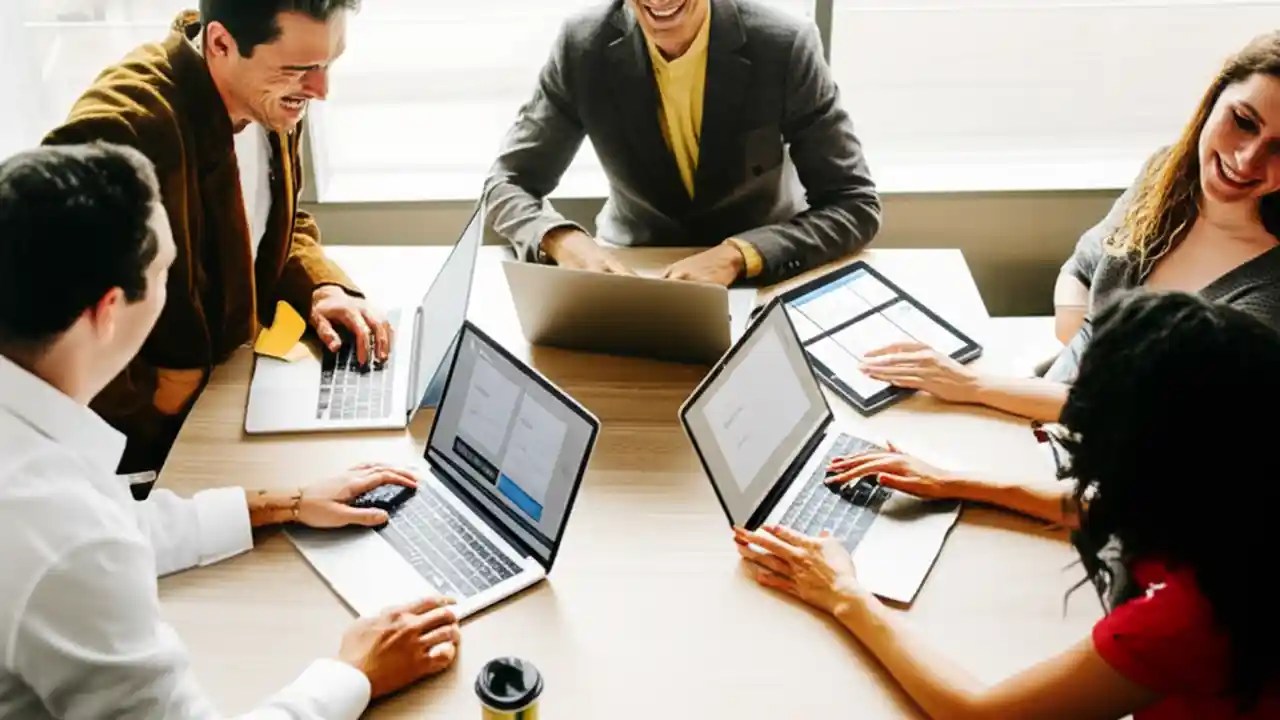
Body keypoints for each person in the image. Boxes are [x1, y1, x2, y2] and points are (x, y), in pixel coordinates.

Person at [0, 143, 459, 718]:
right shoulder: (64, 536)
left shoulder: (34, 454)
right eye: (164, 270)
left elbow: (113, 523)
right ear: (109, 309)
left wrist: (281, 503)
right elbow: (82, 544)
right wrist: (354, 674)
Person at [735, 290, 1280, 718]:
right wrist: (960, 481)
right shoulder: (1240, 484)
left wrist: (846, 595)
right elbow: (1107, 508)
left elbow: (980, 713)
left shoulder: (1190, 617)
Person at [856, 30, 1280, 423]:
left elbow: (1134, 414)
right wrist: (1080, 341)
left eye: (1279, 149)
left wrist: (969, 385)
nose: (1247, 160)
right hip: (1044, 408)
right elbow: (1081, 267)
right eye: (1243, 121)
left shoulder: (1268, 288)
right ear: (1213, 100)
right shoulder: (1165, 173)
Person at [42, 0, 392, 474]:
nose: (321, 89)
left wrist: (320, 287)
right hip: (142, 458)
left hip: (229, 398)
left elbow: (267, 225)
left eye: (330, 63)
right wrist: (157, 395)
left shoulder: (267, 93)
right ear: (221, 44)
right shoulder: (121, 128)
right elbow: (42, 307)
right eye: (302, 69)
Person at [484, 0, 881, 287]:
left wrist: (739, 256)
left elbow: (854, 204)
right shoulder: (581, 44)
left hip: (761, 278)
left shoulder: (784, 44)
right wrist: (562, 240)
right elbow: (506, 183)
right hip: (632, 276)